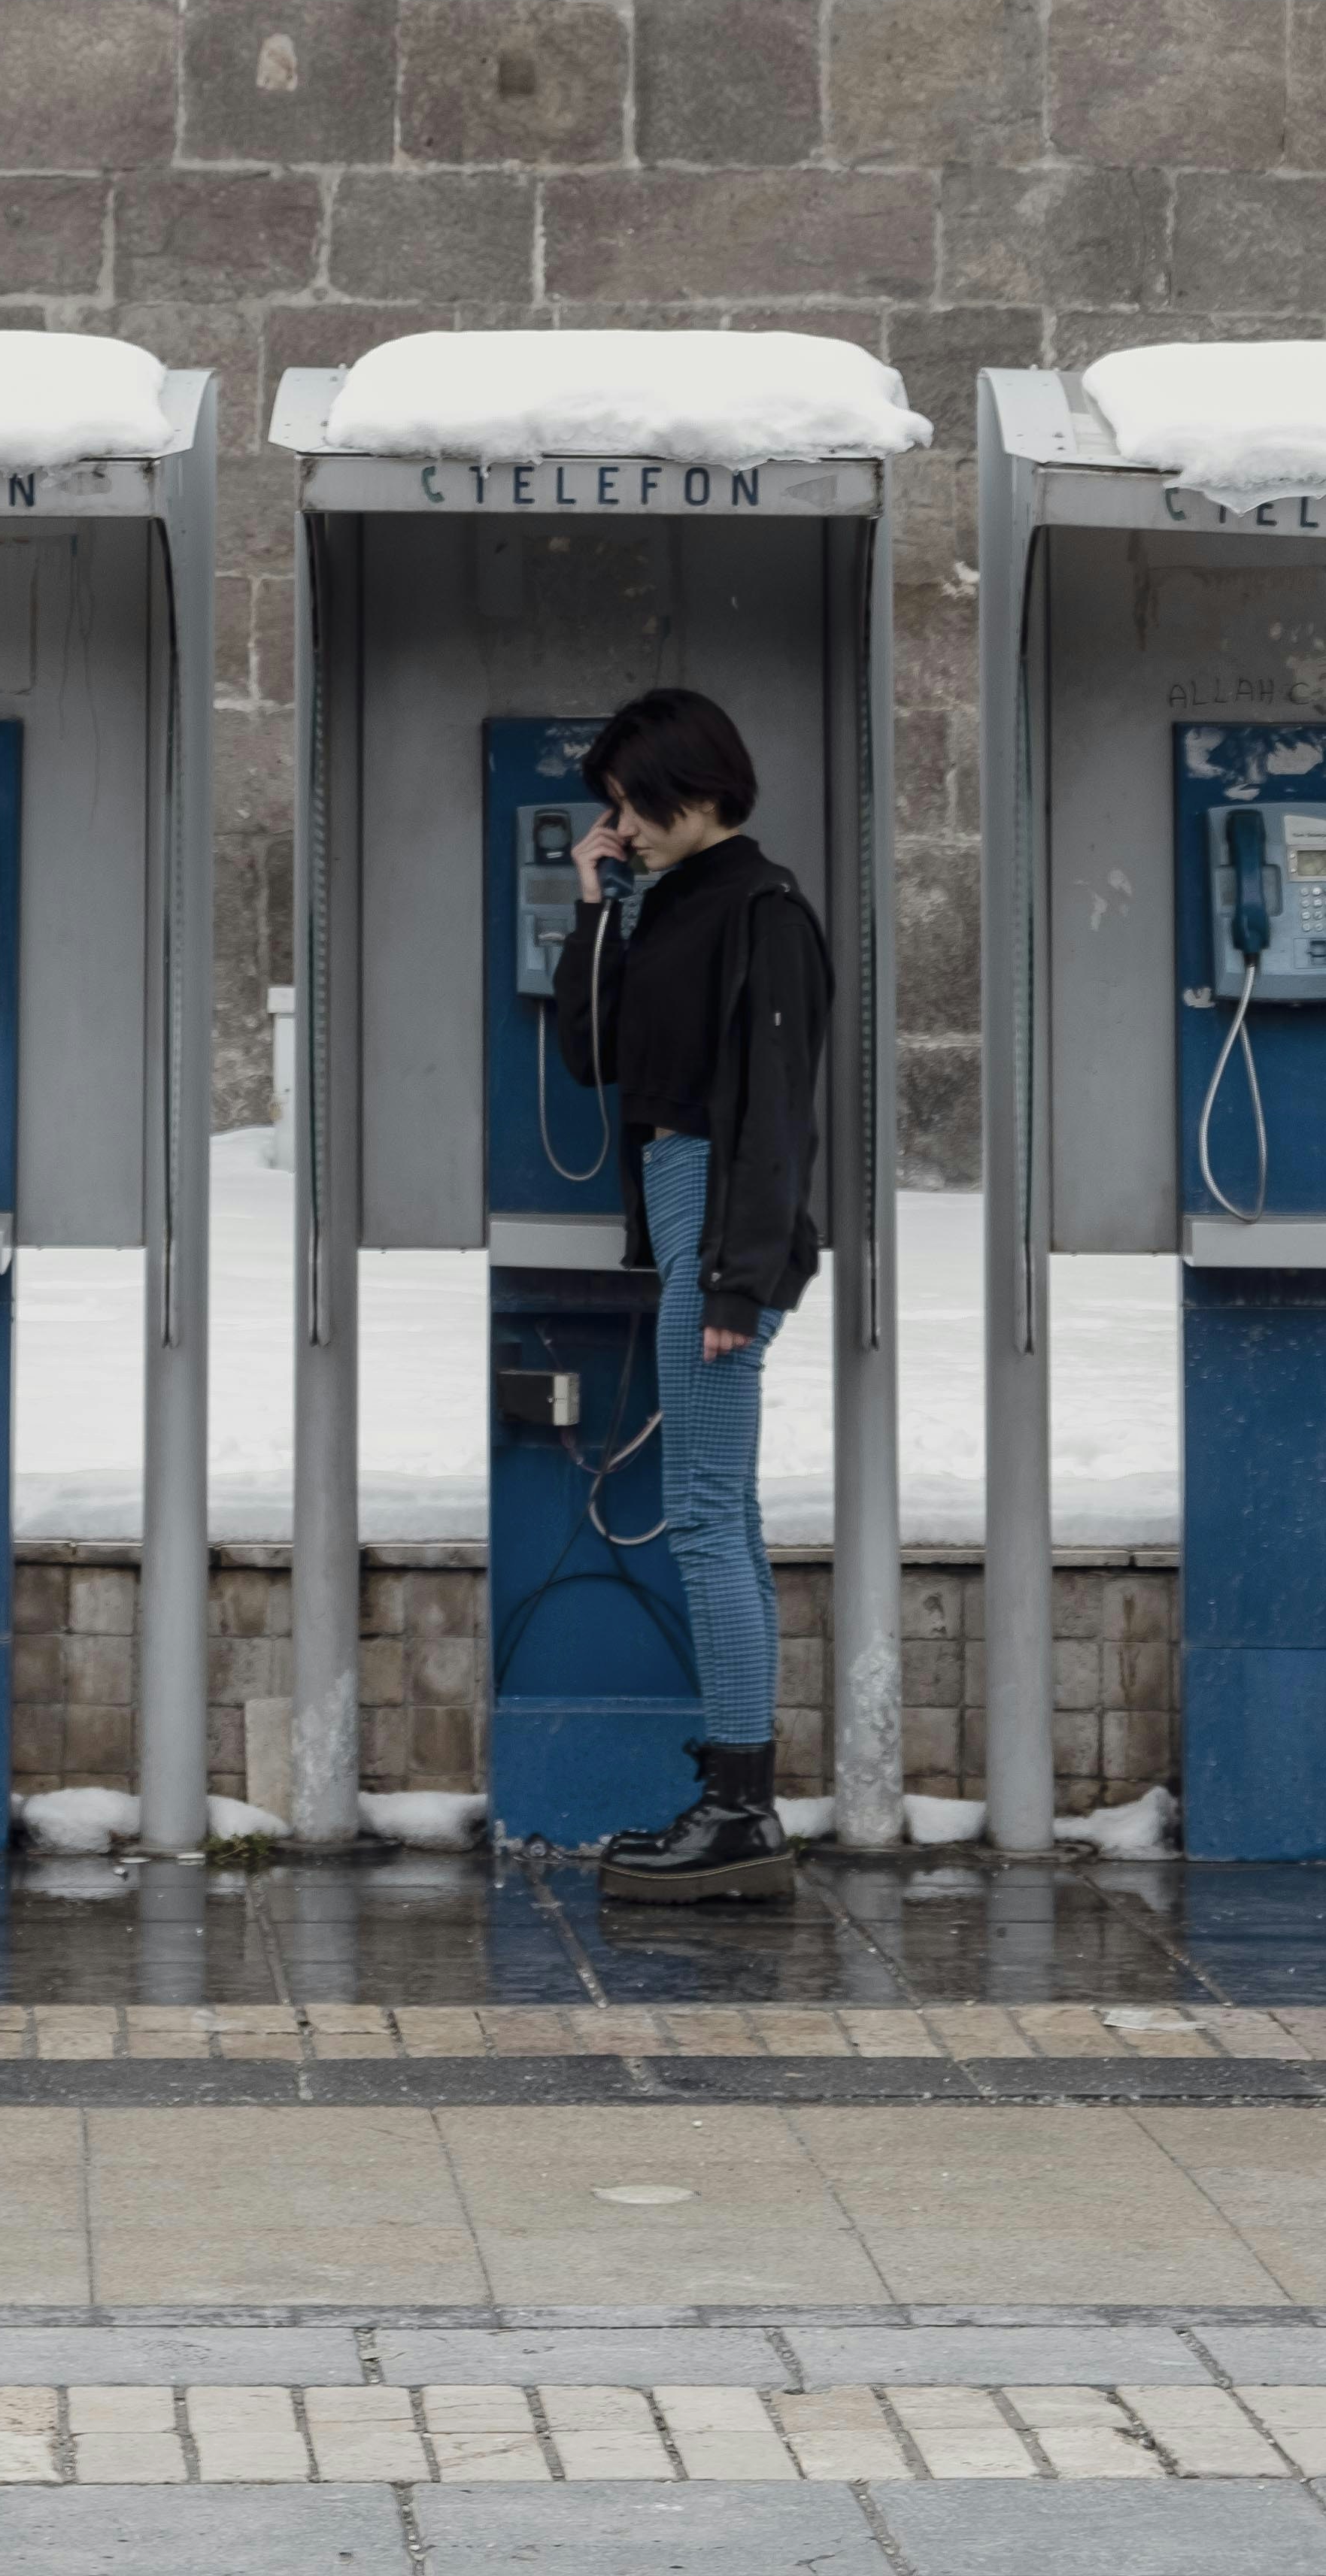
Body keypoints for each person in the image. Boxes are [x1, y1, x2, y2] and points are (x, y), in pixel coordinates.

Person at [548, 685, 830, 1902]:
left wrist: (736, 1277)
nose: (627, 825)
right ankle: (740, 1802)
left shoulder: (765, 912)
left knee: (707, 1515)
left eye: (637, 804)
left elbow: (777, 1110)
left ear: (699, 788)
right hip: (680, 1201)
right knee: (727, 1517)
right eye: (615, 808)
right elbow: (588, 1053)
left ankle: (738, 1809)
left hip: (718, 1213)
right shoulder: (662, 907)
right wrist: (591, 900)